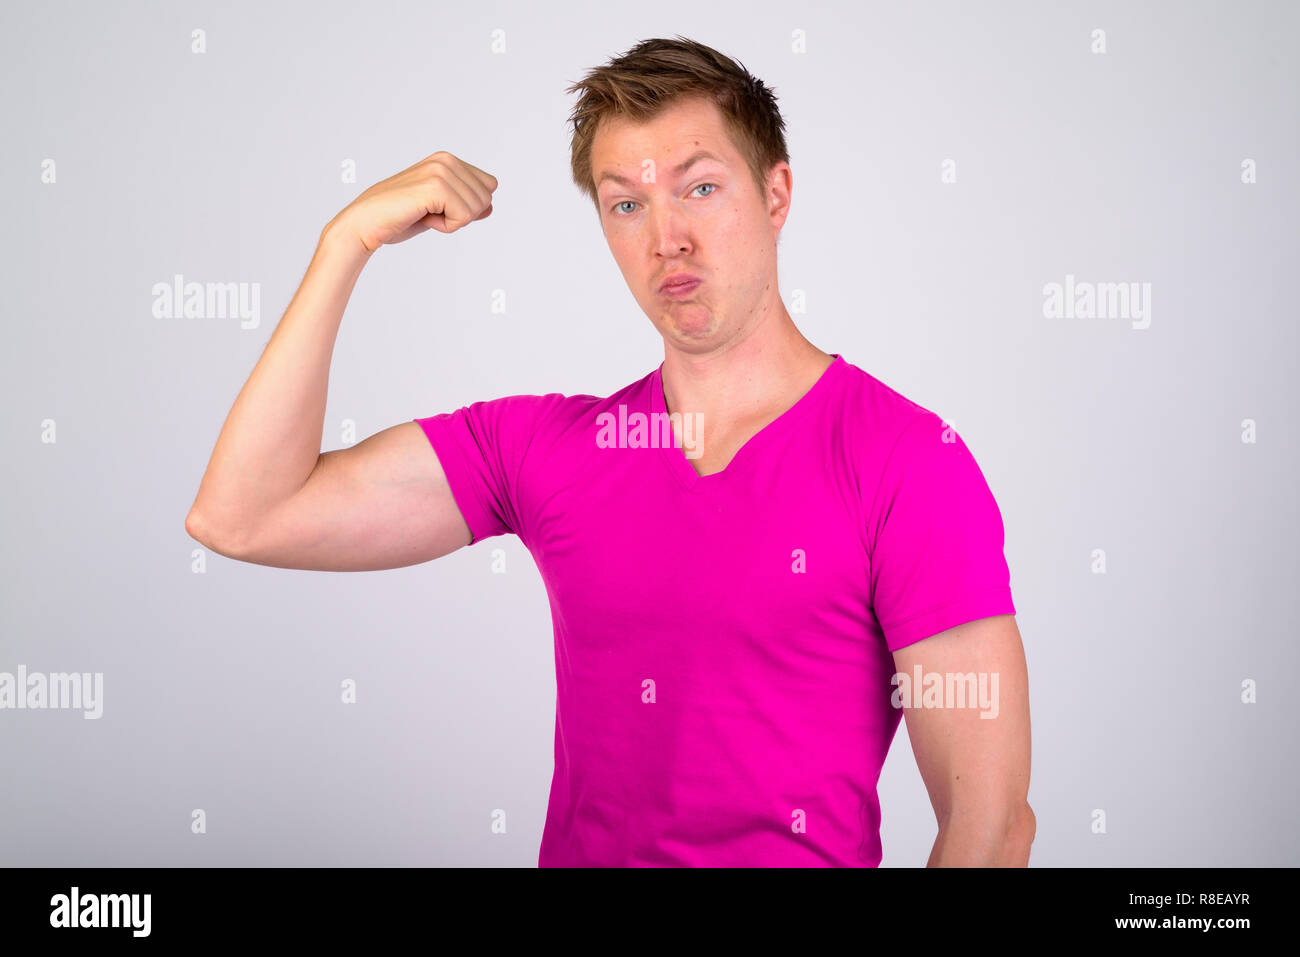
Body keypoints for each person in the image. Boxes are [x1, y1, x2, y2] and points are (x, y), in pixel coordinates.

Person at [185, 36, 1035, 867]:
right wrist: (347, 243)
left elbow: (991, 828)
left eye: (700, 187)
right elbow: (246, 513)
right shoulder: (548, 450)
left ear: (777, 193)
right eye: (626, 202)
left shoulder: (908, 462)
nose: (667, 237)